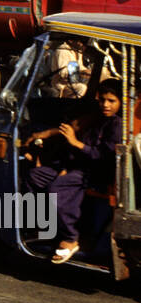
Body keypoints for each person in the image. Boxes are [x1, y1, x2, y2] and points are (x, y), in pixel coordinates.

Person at [22, 79, 122, 264]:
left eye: (111, 101)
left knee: (56, 191)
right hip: (75, 165)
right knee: (34, 177)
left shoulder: (116, 125)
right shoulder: (96, 117)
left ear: (120, 102)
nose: (105, 105)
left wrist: (75, 143)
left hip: (93, 172)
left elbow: (102, 156)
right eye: (102, 100)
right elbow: (73, 129)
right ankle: (43, 225)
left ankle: (70, 238)